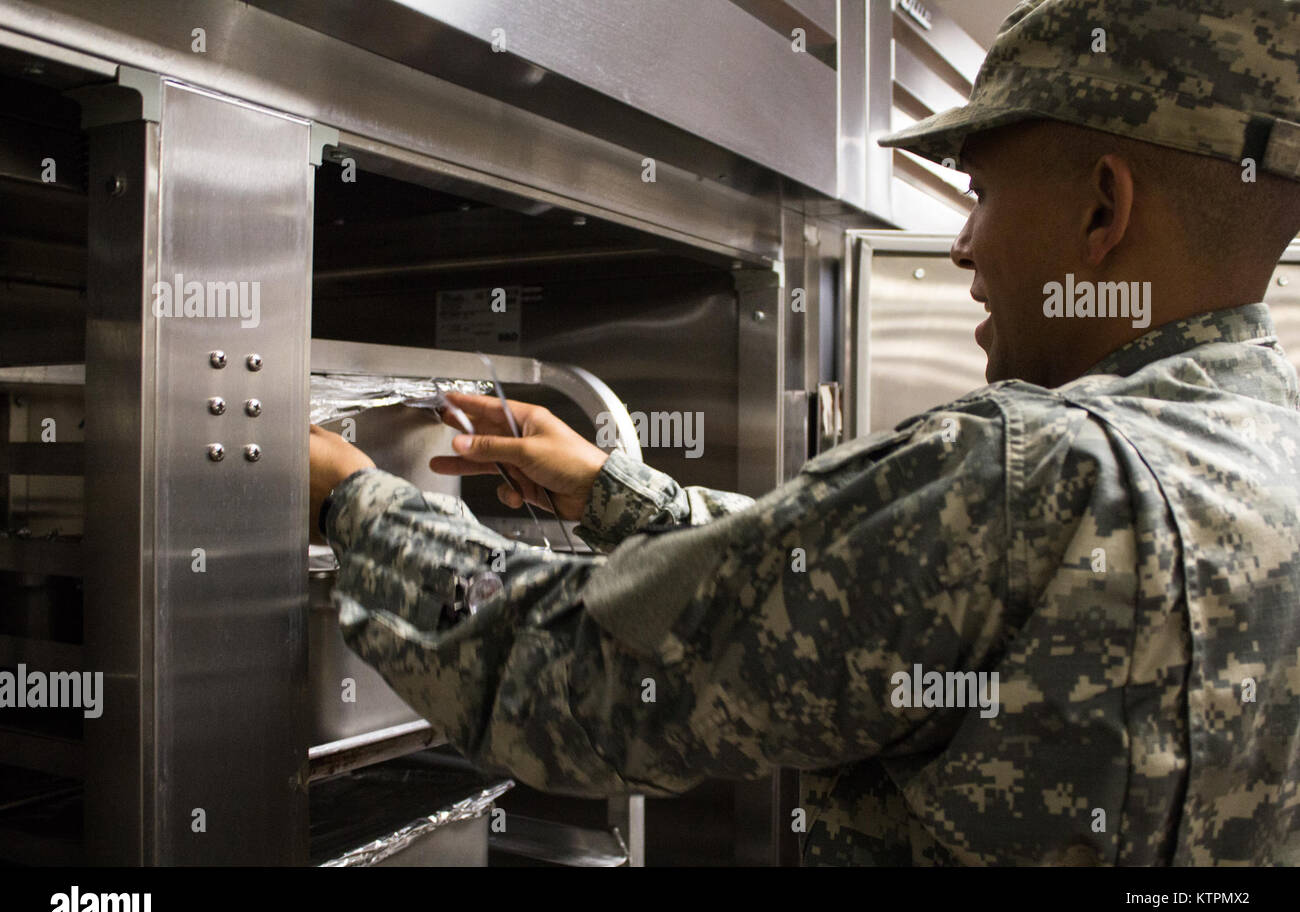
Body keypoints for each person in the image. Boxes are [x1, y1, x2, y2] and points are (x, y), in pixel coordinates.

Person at [308, 0, 1300, 864]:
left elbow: (573, 676)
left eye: (981, 194)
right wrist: (611, 491)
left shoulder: (1029, 471)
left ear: (1102, 209)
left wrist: (351, 497)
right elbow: (860, 584)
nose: (960, 244)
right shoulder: (1260, 453)